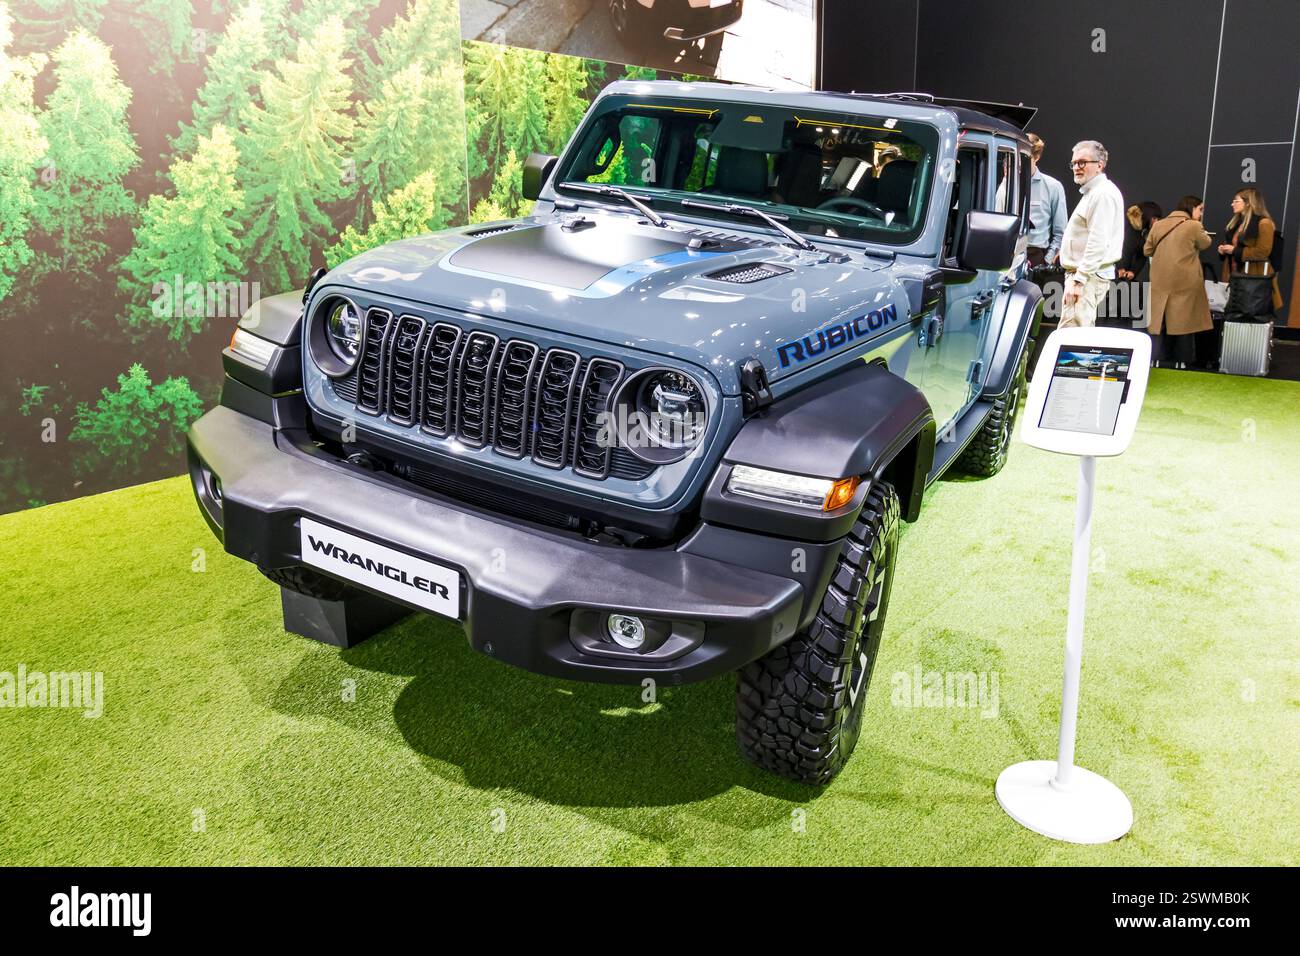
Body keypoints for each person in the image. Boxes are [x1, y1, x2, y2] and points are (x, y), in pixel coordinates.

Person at [1058, 140, 1125, 328]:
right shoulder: (1095, 193)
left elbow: (1098, 241)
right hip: (1086, 277)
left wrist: (1079, 280)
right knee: (1075, 335)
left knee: (1073, 337)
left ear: (1100, 165)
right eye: (1074, 163)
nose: (1076, 168)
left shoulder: (1101, 194)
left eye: (1082, 162)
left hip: (1087, 278)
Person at [1145, 195, 1212, 369]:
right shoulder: (1194, 226)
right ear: (1192, 208)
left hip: (1160, 279)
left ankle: (1154, 359)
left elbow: (1147, 249)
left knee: (1158, 321)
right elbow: (1205, 243)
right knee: (1184, 321)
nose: (1201, 213)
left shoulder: (1159, 225)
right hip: (1185, 280)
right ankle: (1182, 361)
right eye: (1200, 209)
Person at [1217, 187, 1284, 313]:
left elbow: (1262, 252)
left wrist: (1234, 251)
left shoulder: (1264, 223)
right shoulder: (1238, 224)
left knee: (1251, 314)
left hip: (1254, 279)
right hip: (1238, 277)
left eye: (1236, 201)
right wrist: (1224, 250)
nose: (1232, 204)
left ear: (1248, 203)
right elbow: (1235, 245)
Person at [1024, 132, 1067, 267]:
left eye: (1025, 157)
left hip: (1035, 256)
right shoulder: (1006, 184)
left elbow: (1061, 232)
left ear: (1036, 156)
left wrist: (1046, 261)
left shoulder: (1053, 186)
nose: (1019, 162)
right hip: (1007, 254)